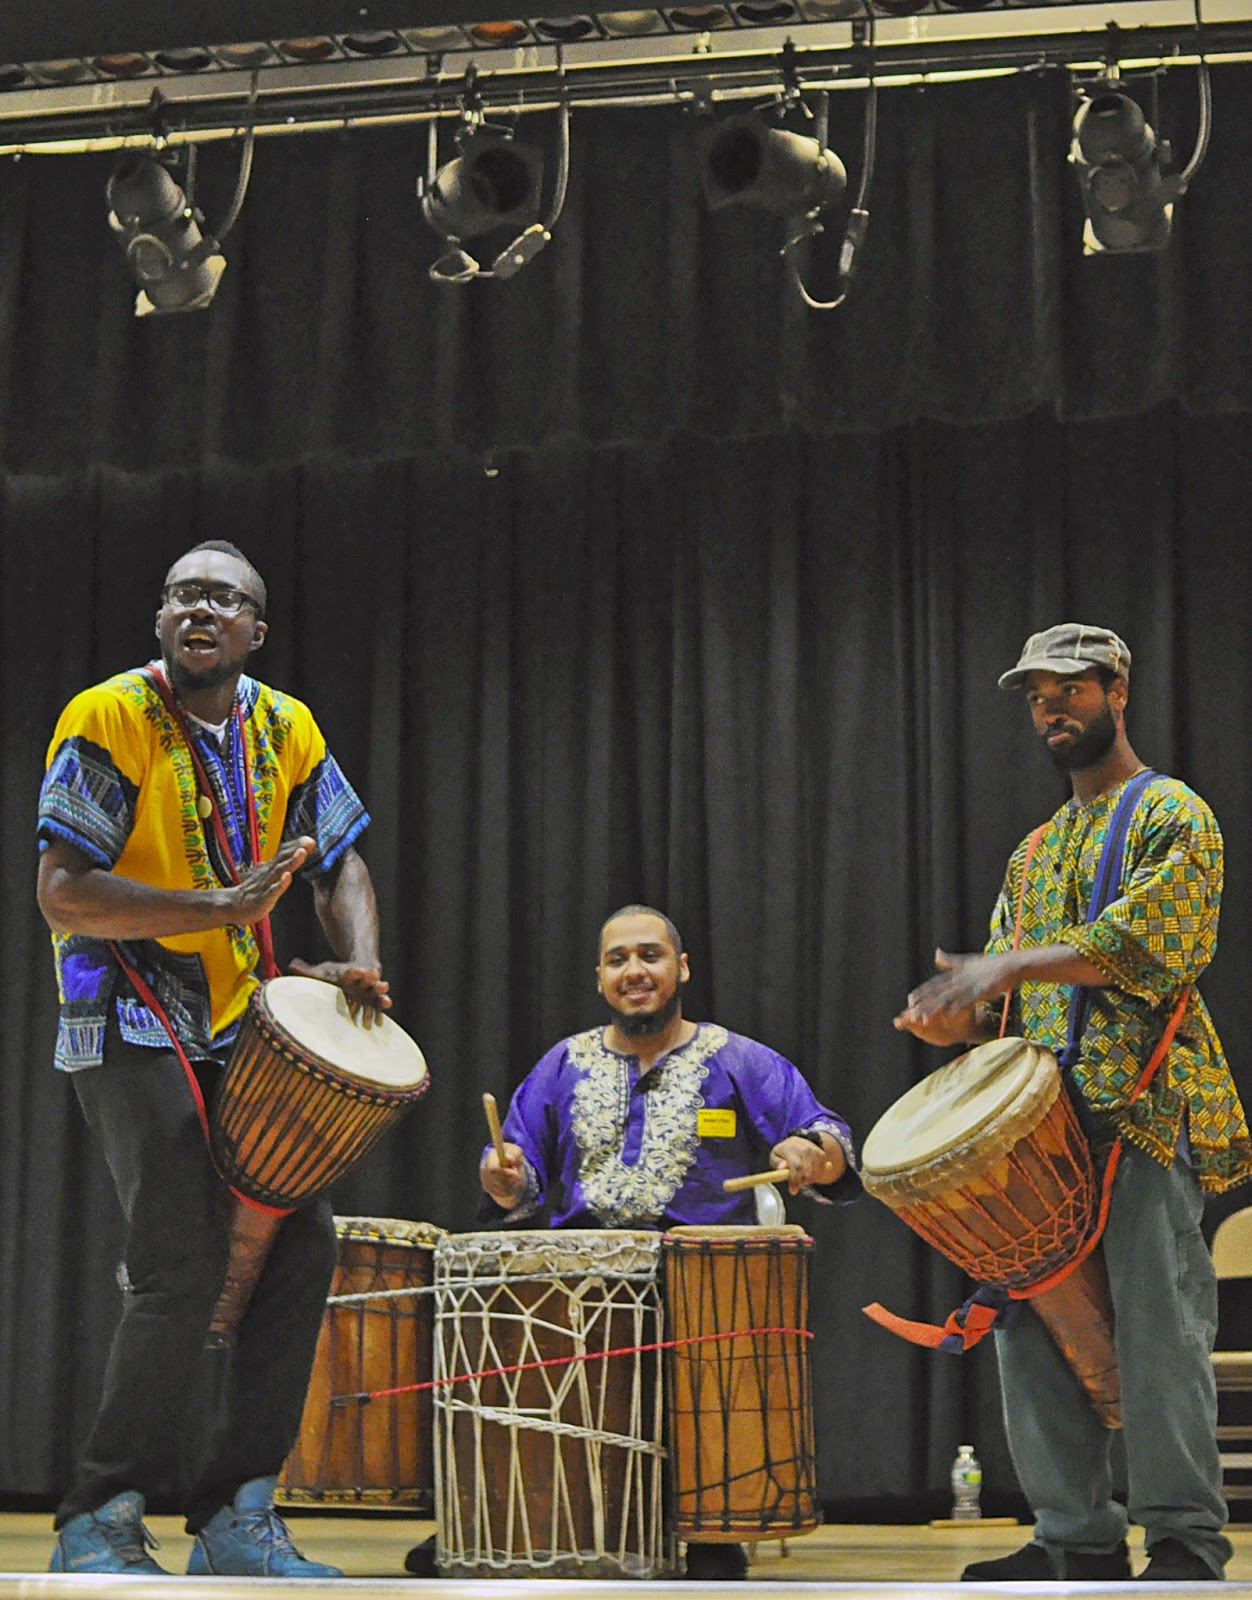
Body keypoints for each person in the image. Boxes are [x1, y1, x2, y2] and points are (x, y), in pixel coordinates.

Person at [37, 540, 391, 1578]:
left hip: (238, 1012)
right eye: (186, 594)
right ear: (159, 620)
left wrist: (361, 958)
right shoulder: (108, 716)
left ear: (255, 631)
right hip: (122, 1004)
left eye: (225, 599)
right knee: (182, 1256)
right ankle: (98, 1512)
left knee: (304, 1242)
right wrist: (213, 908)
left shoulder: (284, 725)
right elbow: (63, 889)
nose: (203, 609)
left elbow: (339, 856)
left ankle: (238, 1512)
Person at [894, 622, 1252, 1584]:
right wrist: (961, 1026)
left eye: (1069, 687)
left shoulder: (1173, 814)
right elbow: (1012, 1007)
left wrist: (1004, 962)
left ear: (1117, 690)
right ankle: (1072, 1538)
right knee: (1029, 1330)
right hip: (1043, 1128)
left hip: (1141, 1113)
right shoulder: (1033, 853)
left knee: (1157, 1332)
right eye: (1036, 694)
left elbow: (1153, 946)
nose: (1050, 706)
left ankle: (1183, 1536)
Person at [474, 903, 857, 1579]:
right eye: (618, 959)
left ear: (680, 968)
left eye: (649, 955)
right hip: (581, 1287)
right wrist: (502, 1176)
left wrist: (811, 1150)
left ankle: (713, 1521)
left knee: (702, 1389)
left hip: (702, 1292)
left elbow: (827, 1137)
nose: (635, 971)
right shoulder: (563, 1064)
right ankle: (519, 1518)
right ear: (600, 978)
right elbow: (517, 1171)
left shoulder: (736, 1058)